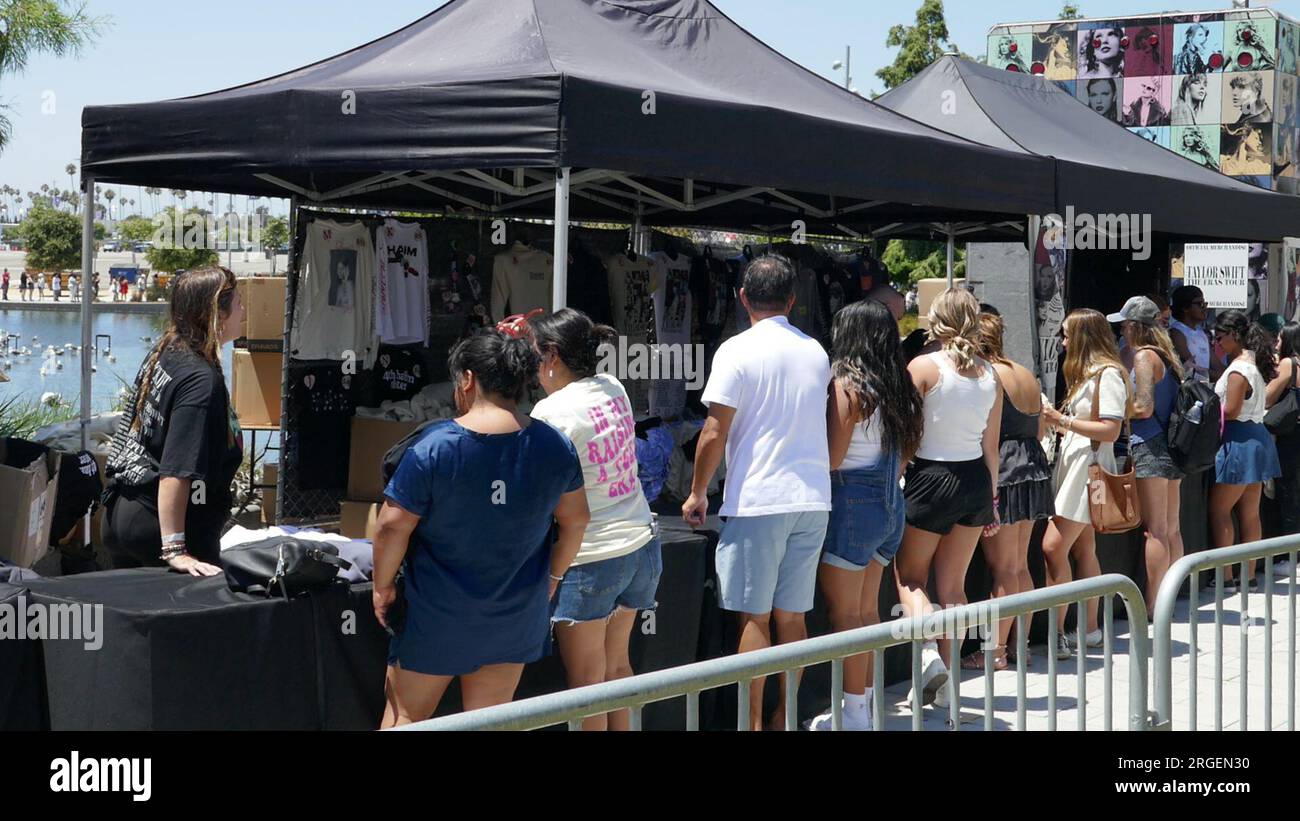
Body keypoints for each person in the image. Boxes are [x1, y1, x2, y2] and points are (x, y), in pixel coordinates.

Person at [373, 329, 591, 727]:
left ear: (468, 380)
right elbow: (577, 520)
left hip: (436, 616)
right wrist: (554, 577)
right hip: (514, 615)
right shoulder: (554, 445)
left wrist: (382, 586)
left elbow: (391, 526)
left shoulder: (433, 448)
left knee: (406, 716)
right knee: (489, 723)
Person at [682, 254, 831, 732]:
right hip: (812, 498)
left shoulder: (736, 350)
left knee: (754, 618)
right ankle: (784, 719)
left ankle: (751, 724)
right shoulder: (816, 351)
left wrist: (697, 491)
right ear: (792, 299)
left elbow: (713, 431)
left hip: (760, 499)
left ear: (742, 297)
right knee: (792, 619)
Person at [528, 308, 662, 732]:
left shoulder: (551, 414)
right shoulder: (613, 386)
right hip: (640, 544)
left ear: (551, 357)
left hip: (590, 557)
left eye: (534, 356)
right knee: (617, 669)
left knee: (586, 684)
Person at [806, 300, 923, 731]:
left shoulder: (848, 385)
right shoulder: (899, 385)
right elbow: (907, 452)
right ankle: (865, 706)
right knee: (868, 613)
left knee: (845, 617)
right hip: (890, 503)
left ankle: (854, 714)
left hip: (852, 503)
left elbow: (833, 459)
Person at [896, 289, 1002, 705]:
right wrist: (991, 500)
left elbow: (905, 436)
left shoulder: (922, 367)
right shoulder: (989, 373)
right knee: (955, 587)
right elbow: (990, 446)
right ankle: (948, 681)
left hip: (929, 476)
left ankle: (926, 655)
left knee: (909, 578)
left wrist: (897, 477)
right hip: (974, 478)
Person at [103, 267, 246, 573]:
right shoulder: (200, 380)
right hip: (159, 529)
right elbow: (176, 471)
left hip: (124, 512)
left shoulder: (169, 348)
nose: (244, 312)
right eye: (238, 304)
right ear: (217, 315)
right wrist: (174, 550)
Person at [1042, 309, 1131, 657]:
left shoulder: (1107, 374)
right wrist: (1059, 422)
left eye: (1066, 335)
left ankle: (1058, 633)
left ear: (1082, 337)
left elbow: (1110, 429)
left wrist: (1059, 418)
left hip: (1087, 467)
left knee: (1053, 547)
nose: (1063, 341)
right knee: (1083, 549)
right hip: (1080, 463)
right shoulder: (1092, 373)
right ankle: (1089, 629)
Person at [967, 312, 1053, 670]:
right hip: (1033, 466)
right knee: (1020, 565)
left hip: (1004, 467)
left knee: (1003, 568)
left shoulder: (989, 375)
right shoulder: (1024, 372)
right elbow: (1041, 429)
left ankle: (995, 651)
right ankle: (1020, 645)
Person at [1113, 297, 1186, 610]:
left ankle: (1156, 603)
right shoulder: (1166, 355)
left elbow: (1143, 407)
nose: (1122, 330)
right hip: (1170, 446)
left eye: (1124, 324)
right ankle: (1170, 597)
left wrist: (1113, 408)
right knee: (1171, 527)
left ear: (1133, 326)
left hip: (1150, 444)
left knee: (1155, 530)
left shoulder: (1144, 356)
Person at [1210, 312, 1281, 592]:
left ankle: (1226, 577)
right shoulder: (1255, 362)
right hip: (1257, 438)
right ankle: (1249, 576)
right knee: (1250, 513)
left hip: (1239, 439)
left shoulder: (1240, 369)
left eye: (1219, 337)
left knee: (1219, 511)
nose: (1217, 343)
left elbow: (1231, 410)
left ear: (1234, 335)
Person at [1267, 323, 1300, 548]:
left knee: (1288, 490)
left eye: (1279, 339)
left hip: (1290, 435)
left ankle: (1289, 552)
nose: (1275, 344)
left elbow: (1268, 397)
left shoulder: (1289, 363)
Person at [1169, 285, 1211, 382]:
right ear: (1185, 308)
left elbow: (1217, 366)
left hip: (1204, 391)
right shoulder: (1177, 332)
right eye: (1200, 304)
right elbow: (1194, 370)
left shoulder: (1201, 333)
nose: (1204, 308)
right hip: (1189, 392)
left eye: (1205, 303)